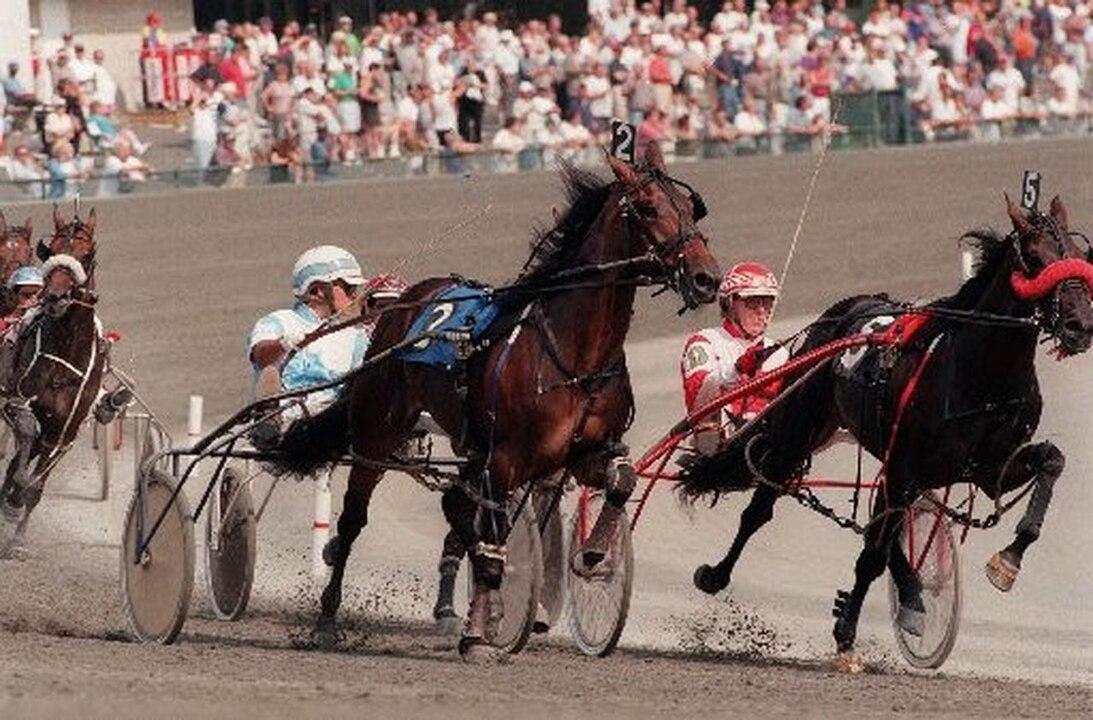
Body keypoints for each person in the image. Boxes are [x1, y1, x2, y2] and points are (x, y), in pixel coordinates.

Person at [247, 246, 370, 447]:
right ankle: (268, 425)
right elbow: (261, 357)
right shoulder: (280, 322)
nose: (355, 295)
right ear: (317, 291)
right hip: (288, 425)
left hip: (338, 424)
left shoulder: (357, 335)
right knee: (269, 372)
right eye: (349, 288)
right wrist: (286, 343)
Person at [680, 262, 788, 455]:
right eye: (752, 302)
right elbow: (699, 392)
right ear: (729, 304)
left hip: (770, 446)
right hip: (718, 448)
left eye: (767, 303)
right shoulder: (705, 341)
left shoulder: (780, 353)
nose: (762, 311)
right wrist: (738, 369)